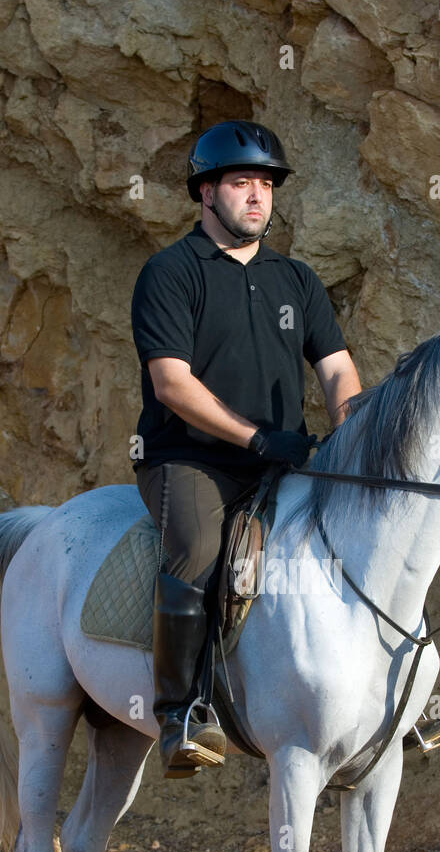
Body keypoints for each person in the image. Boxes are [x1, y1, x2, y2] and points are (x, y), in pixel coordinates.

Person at [130, 120, 361, 778]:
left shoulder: (296, 278)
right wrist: (256, 436)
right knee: (199, 551)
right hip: (189, 459)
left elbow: (338, 370)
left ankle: (380, 707)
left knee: (356, 539)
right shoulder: (170, 273)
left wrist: (349, 437)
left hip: (282, 462)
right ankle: (180, 714)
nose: (257, 196)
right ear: (205, 193)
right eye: (241, 183)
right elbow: (172, 385)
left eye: (265, 184)